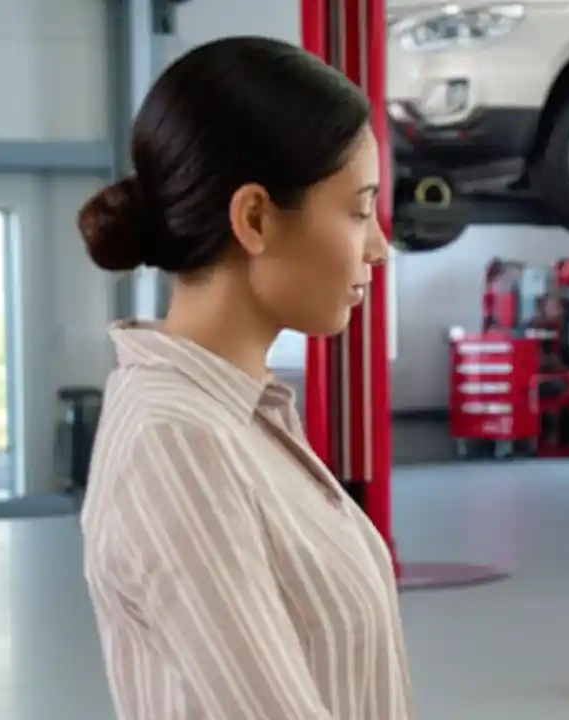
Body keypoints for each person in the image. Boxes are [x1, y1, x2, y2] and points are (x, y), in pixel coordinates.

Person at [77, 36, 412, 720]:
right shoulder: (176, 444)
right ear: (255, 218)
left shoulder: (239, 417)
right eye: (357, 210)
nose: (378, 246)